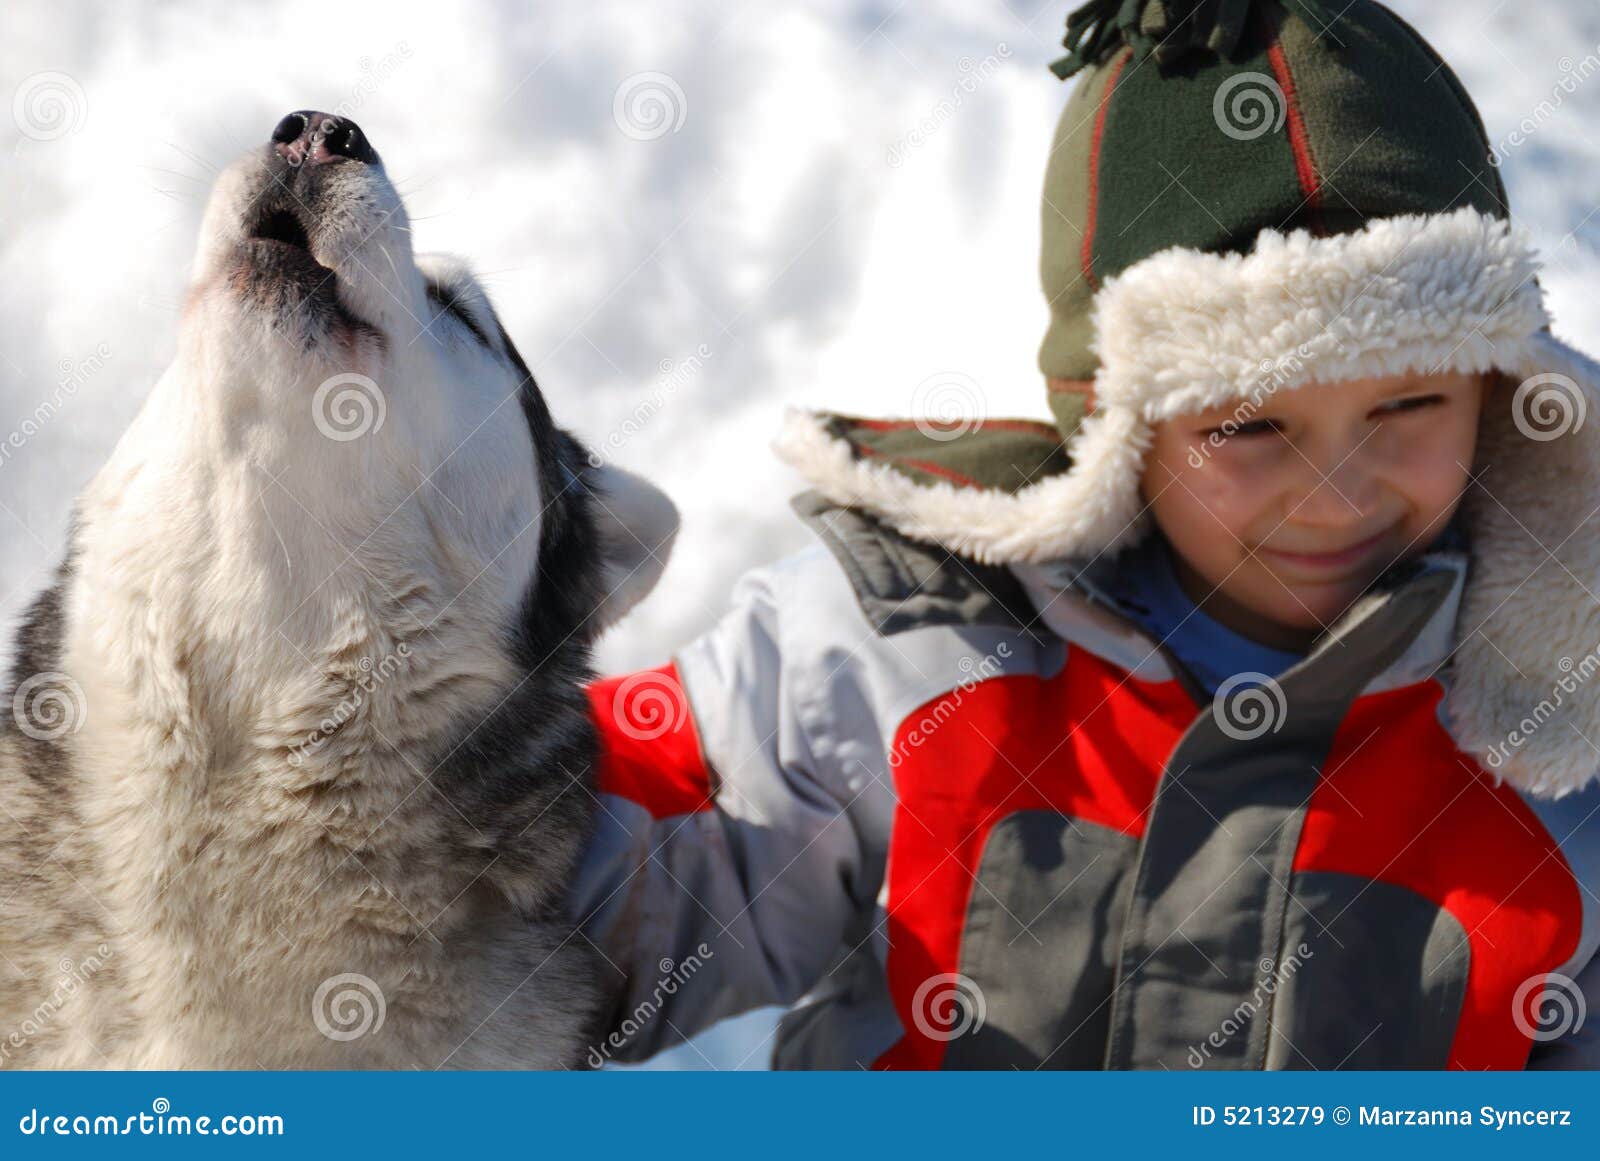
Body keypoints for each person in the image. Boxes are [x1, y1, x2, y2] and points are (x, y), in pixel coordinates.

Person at [569, 0, 1600, 1069]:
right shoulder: (910, 644)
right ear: (1114, 425)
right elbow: (553, 873)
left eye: (1409, 406)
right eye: (1248, 425)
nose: (1336, 498)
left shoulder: (1565, 738)